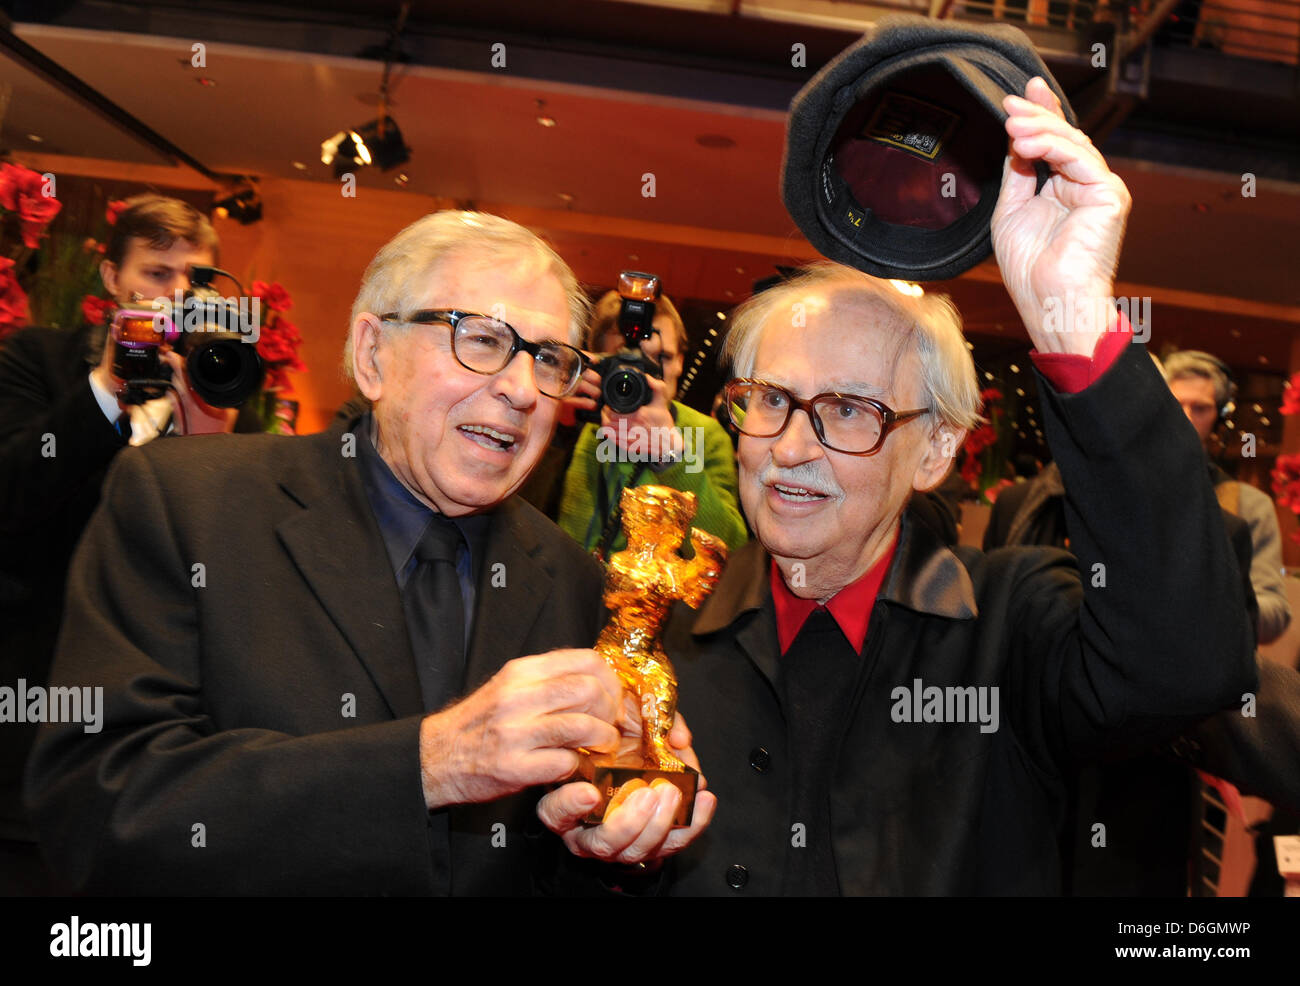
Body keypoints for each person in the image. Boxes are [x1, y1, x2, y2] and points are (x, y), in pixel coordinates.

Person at [664, 78, 1256, 895]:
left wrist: (1069, 314)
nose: (790, 445)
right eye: (768, 399)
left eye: (847, 410)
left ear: (936, 447)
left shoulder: (1008, 629)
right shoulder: (667, 623)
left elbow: (1187, 666)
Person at [24, 211, 712, 894]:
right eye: (480, 339)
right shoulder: (188, 505)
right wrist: (429, 763)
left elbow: (536, 860)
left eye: (551, 359)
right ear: (372, 355)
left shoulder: (572, 580)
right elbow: (97, 808)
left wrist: (616, 845)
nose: (522, 390)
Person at [0, 194, 243, 893]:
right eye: (156, 273)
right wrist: (108, 385)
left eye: (191, 280)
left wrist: (211, 439)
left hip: (164, 738)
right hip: (36, 710)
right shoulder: (38, 362)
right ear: (111, 279)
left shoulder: (219, 384)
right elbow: (12, 498)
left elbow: (231, 560)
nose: (173, 295)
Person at [557, 290, 747, 558]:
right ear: (602, 367)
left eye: (662, 358)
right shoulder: (595, 430)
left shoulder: (706, 433)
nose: (647, 374)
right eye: (627, 360)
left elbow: (729, 546)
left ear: (681, 361)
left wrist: (673, 457)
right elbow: (570, 542)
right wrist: (554, 413)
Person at [1164, 349, 1291, 644]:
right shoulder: (1123, 485)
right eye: (1174, 403)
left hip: (1209, 674)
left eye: (1200, 408)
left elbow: (1275, 613)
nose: (1185, 417)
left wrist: (1219, 607)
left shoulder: (1249, 505)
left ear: (1221, 419)